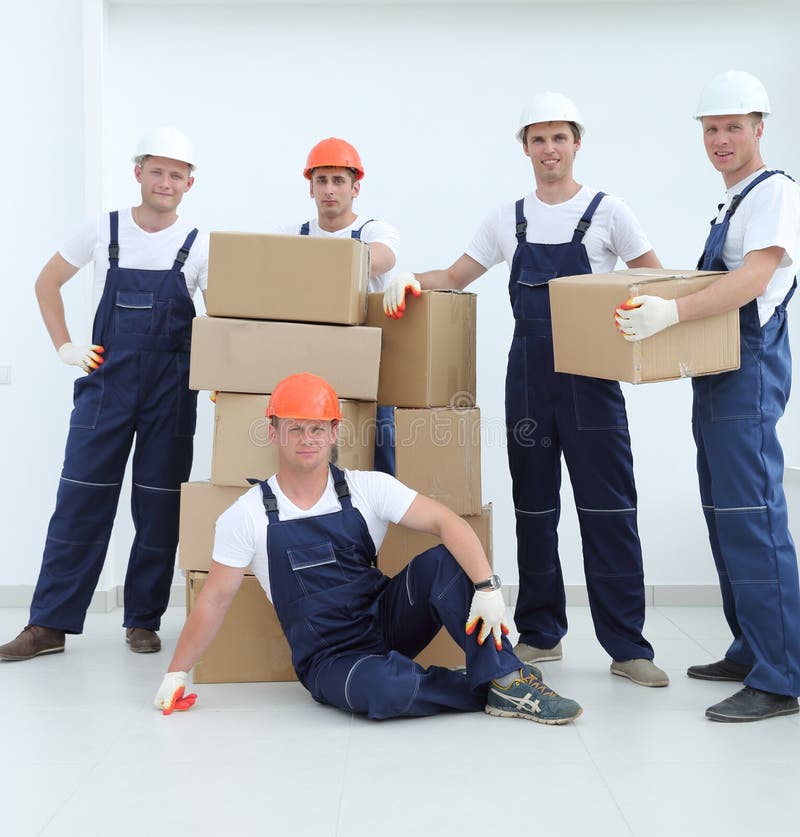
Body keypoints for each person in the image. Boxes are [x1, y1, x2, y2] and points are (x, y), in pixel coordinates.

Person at [384, 92, 669, 687]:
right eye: (537, 139)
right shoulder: (506, 218)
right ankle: (542, 634)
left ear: (576, 143)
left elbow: (653, 275)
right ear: (525, 148)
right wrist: (409, 276)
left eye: (559, 138)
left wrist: (644, 316)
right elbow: (458, 276)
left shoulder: (608, 211)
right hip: (529, 384)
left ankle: (628, 645)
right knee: (534, 510)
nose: (549, 149)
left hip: (593, 385)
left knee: (609, 511)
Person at [154, 372, 583, 725]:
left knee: (444, 561)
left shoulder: (365, 487)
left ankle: (507, 681)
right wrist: (176, 672)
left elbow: (445, 521)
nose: (307, 438)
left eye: (317, 428)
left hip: (386, 620)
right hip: (331, 658)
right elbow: (213, 601)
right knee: (386, 691)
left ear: (334, 431)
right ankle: (484, 686)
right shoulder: (245, 515)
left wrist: (487, 589)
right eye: (295, 428)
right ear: (274, 432)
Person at [616, 70, 800, 722]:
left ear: (759, 128)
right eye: (711, 129)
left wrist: (671, 314)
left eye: (732, 127)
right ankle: (753, 646)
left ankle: (782, 675)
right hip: (718, 377)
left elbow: (753, 279)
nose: (720, 139)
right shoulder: (734, 200)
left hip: (747, 377)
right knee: (726, 517)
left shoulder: (773, 192)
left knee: (753, 520)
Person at [0, 127, 208, 661]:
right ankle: (47, 624)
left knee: (159, 503)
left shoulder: (200, 244)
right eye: (156, 170)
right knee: (80, 500)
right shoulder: (103, 229)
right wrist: (65, 346)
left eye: (176, 174)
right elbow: (47, 282)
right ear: (138, 173)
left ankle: (143, 619)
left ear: (189, 183)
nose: (165, 181)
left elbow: (225, 317)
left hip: (171, 389)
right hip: (104, 384)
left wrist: (223, 377)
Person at [280, 137, 401, 475]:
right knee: (312, 460)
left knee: (377, 455)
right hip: (308, 363)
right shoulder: (291, 234)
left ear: (355, 187)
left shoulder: (374, 230)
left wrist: (309, 267)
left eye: (338, 181)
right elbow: (266, 273)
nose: (329, 190)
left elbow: (381, 258)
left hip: (366, 369)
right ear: (311, 188)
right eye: (321, 181)